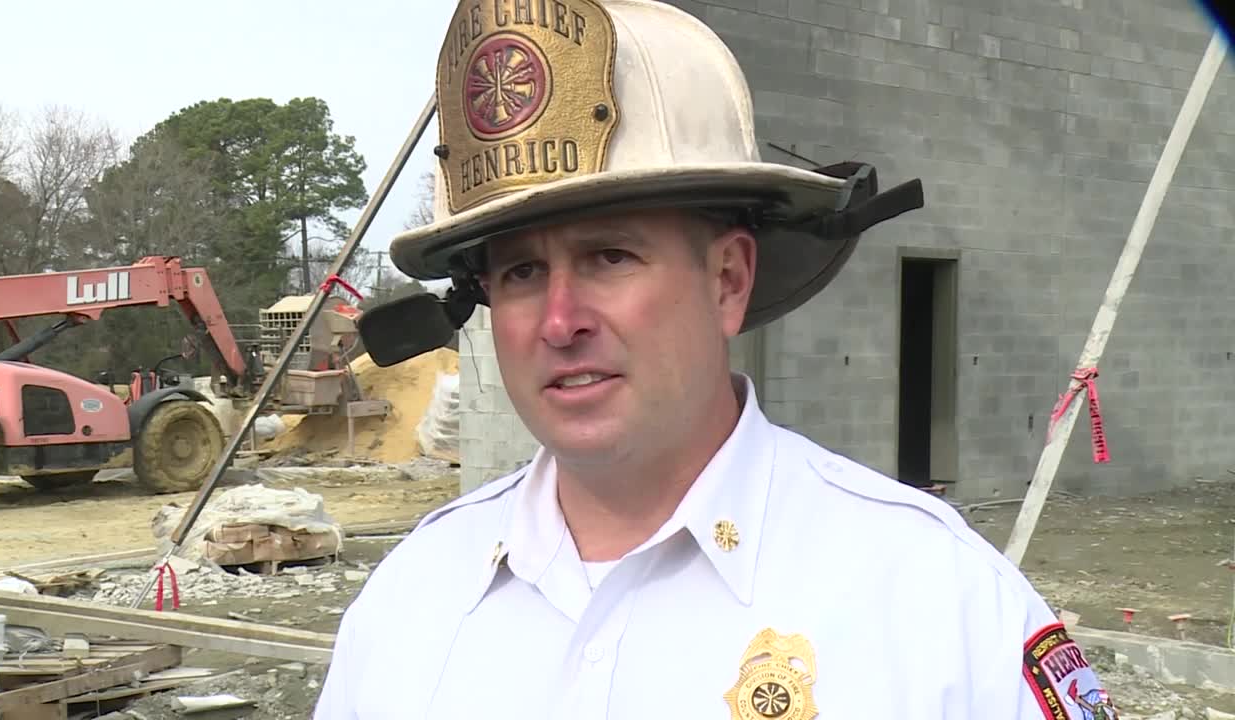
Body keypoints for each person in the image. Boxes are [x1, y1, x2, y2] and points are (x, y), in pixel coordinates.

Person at [314, 0, 1117, 717]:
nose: (560, 321)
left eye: (610, 257)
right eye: (522, 272)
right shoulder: (407, 608)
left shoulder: (938, 603)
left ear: (728, 279)